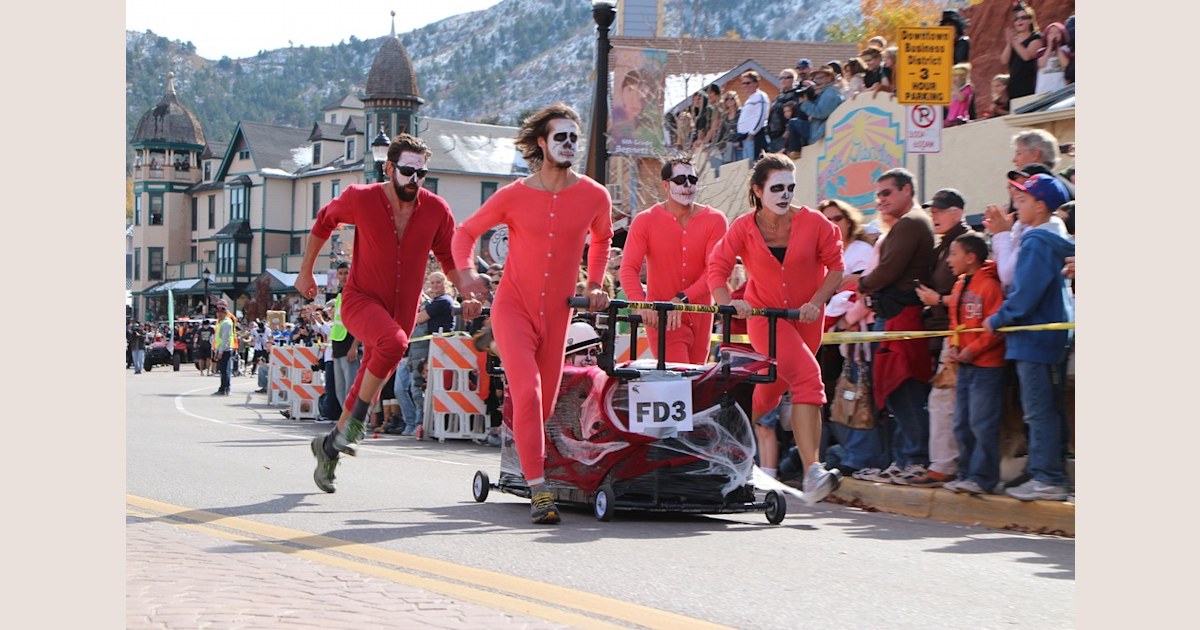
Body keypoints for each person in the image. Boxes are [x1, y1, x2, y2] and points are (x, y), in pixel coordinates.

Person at [453, 103, 612, 524]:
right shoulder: (514, 195)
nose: (568, 144)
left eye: (574, 137)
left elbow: (602, 239)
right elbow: (465, 233)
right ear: (542, 143)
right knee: (527, 392)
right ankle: (540, 491)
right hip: (513, 308)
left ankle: (526, 459)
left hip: (558, 314)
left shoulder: (595, 195)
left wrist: (595, 283)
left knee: (540, 409)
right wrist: (467, 276)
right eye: (560, 136)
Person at [297, 132, 467, 494]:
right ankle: (354, 427)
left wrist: (465, 288)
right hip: (360, 300)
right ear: (389, 168)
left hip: (402, 310)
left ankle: (329, 449)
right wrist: (306, 270)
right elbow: (324, 221)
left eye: (421, 174)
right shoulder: (362, 198)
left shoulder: (437, 210)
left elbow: (450, 256)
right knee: (392, 343)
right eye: (407, 171)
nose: (414, 181)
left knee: (370, 382)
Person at [707, 153, 845, 504]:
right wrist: (728, 301)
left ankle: (717, 439)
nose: (785, 195)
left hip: (807, 320)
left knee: (769, 393)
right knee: (809, 377)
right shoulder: (743, 227)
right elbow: (717, 269)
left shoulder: (815, 223)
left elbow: (836, 268)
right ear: (758, 190)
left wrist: (816, 301)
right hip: (765, 319)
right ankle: (813, 471)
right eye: (777, 188)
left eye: (790, 187)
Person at [986, 174, 1075, 502]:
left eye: (1022, 201)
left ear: (1040, 206)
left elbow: (1024, 295)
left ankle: (1048, 478)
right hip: (1043, 335)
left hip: (1035, 337)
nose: (1016, 206)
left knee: (1039, 411)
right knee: (1045, 409)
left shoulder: (1037, 241)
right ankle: (1049, 473)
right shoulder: (1048, 236)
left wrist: (997, 319)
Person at [855, 168, 935, 485]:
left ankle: (914, 459)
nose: (881, 200)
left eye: (887, 192)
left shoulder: (912, 222)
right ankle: (903, 458)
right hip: (894, 316)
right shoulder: (905, 225)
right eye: (878, 195)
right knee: (895, 393)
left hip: (904, 318)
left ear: (906, 190)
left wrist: (860, 283)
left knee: (905, 389)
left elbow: (887, 272)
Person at [619, 157, 728, 364]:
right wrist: (642, 305)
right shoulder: (645, 220)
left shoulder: (715, 219)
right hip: (664, 317)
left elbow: (715, 271)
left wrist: (683, 299)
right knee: (680, 380)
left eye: (692, 179)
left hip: (701, 314)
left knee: (695, 387)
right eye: (680, 179)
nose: (687, 185)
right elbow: (628, 269)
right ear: (666, 185)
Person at [911, 189, 975, 488]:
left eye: (940, 209)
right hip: (945, 332)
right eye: (931, 210)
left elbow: (976, 294)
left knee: (944, 402)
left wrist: (939, 299)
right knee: (945, 402)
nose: (933, 214)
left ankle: (945, 466)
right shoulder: (945, 244)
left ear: (958, 212)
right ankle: (949, 465)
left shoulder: (966, 243)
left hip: (959, 335)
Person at [942, 232, 1006, 495]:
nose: (948, 260)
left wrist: (972, 350)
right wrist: (955, 346)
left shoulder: (989, 286)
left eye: (954, 254)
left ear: (971, 257)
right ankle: (966, 473)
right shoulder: (959, 285)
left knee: (982, 422)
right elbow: (955, 321)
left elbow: (994, 328)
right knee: (962, 422)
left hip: (986, 366)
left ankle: (984, 478)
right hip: (965, 364)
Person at [1002, 2, 1044, 101]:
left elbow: (1027, 56)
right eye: (1016, 19)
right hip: (1014, 84)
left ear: (1030, 20)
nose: (1019, 21)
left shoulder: (1036, 38)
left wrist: (1013, 41)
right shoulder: (1015, 39)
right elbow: (1004, 60)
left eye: (1023, 18)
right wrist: (1009, 43)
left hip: (1029, 84)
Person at [797, 65, 846, 147]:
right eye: (815, 79)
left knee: (794, 124)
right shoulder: (824, 92)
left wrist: (805, 103)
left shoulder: (830, 94)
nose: (817, 81)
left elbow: (821, 113)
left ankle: (795, 151)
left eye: (820, 78)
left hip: (823, 133)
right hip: (821, 132)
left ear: (829, 78)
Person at [736, 71, 770, 164]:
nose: (745, 85)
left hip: (754, 137)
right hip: (745, 138)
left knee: (753, 165)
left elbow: (761, 116)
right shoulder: (750, 99)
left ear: (756, 83)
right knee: (746, 166)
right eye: (743, 83)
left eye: (748, 83)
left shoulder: (760, 96)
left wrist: (752, 133)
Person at [767, 69, 802, 154]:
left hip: (784, 134)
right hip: (773, 135)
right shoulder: (779, 95)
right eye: (781, 78)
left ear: (794, 79)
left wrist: (788, 130)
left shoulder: (796, 94)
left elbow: (796, 113)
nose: (783, 80)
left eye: (787, 77)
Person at [1035, 22, 1072, 95]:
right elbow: (1041, 64)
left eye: (1057, 33)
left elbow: (1065, 64)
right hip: (1043, 90)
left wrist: (1057, 48)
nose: (1054, 35)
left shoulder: (1065, 50)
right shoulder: (1042, 51)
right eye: (1051, 33)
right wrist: (1049, 48)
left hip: (1059, 90)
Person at [211, 302, 234, 396]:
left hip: (225, 349)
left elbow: (225, 339)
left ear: (225, 313)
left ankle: (224, 389)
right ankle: (224, 388)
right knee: (223, 370)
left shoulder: (226, 323)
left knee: (225, 370)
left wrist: (220, 351)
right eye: (217, 312)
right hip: (222, 348)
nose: (218, 314)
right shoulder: (222, 322)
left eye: (220, 312)